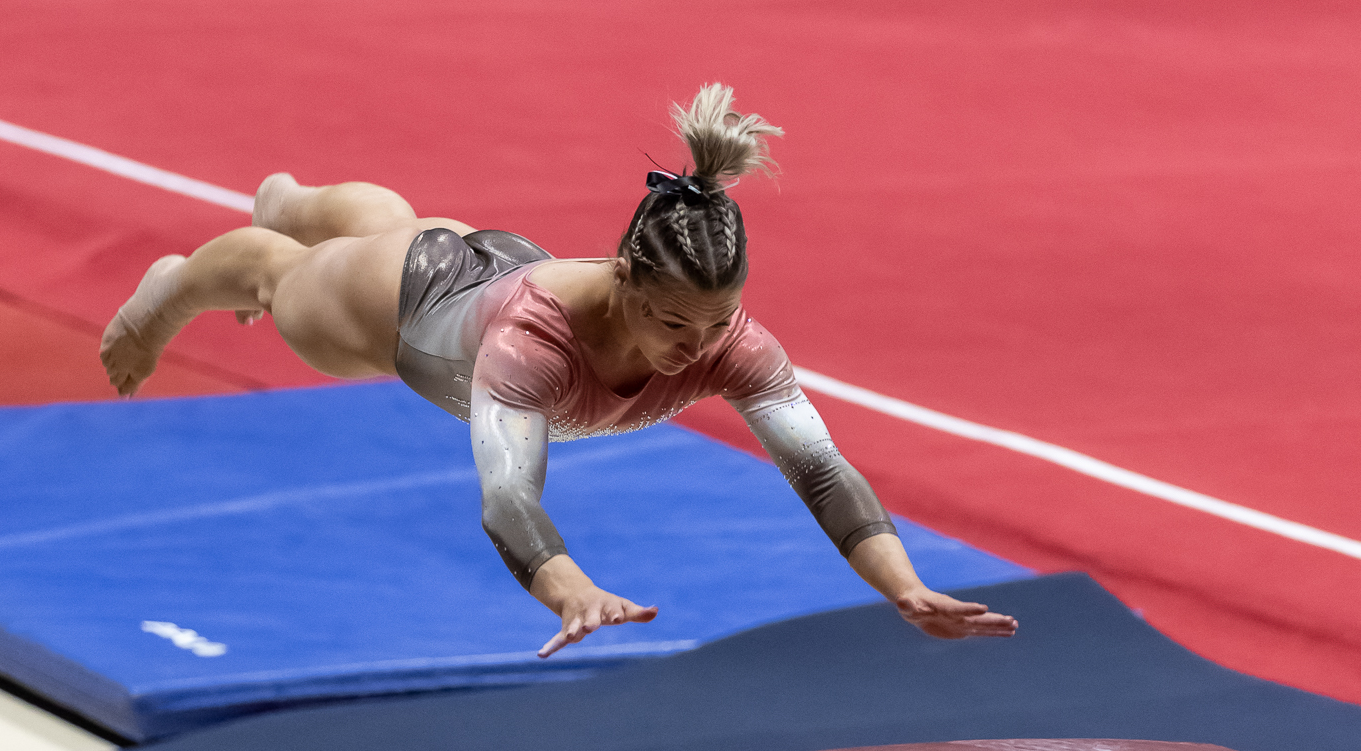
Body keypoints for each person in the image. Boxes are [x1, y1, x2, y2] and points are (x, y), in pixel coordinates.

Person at [101, 84, 1018, 657]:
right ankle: (170, 291)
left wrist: (902, 583)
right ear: (624, 281)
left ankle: (299, 202)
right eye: (669, 323)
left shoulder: (728, 339)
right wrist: (570, 587)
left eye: (715, 323)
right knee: (284, 282)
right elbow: (507, 497)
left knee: (397, 222)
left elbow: (820, 468)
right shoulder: (529, 347)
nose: (693, 349)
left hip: (483, 266)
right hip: (417, 307)